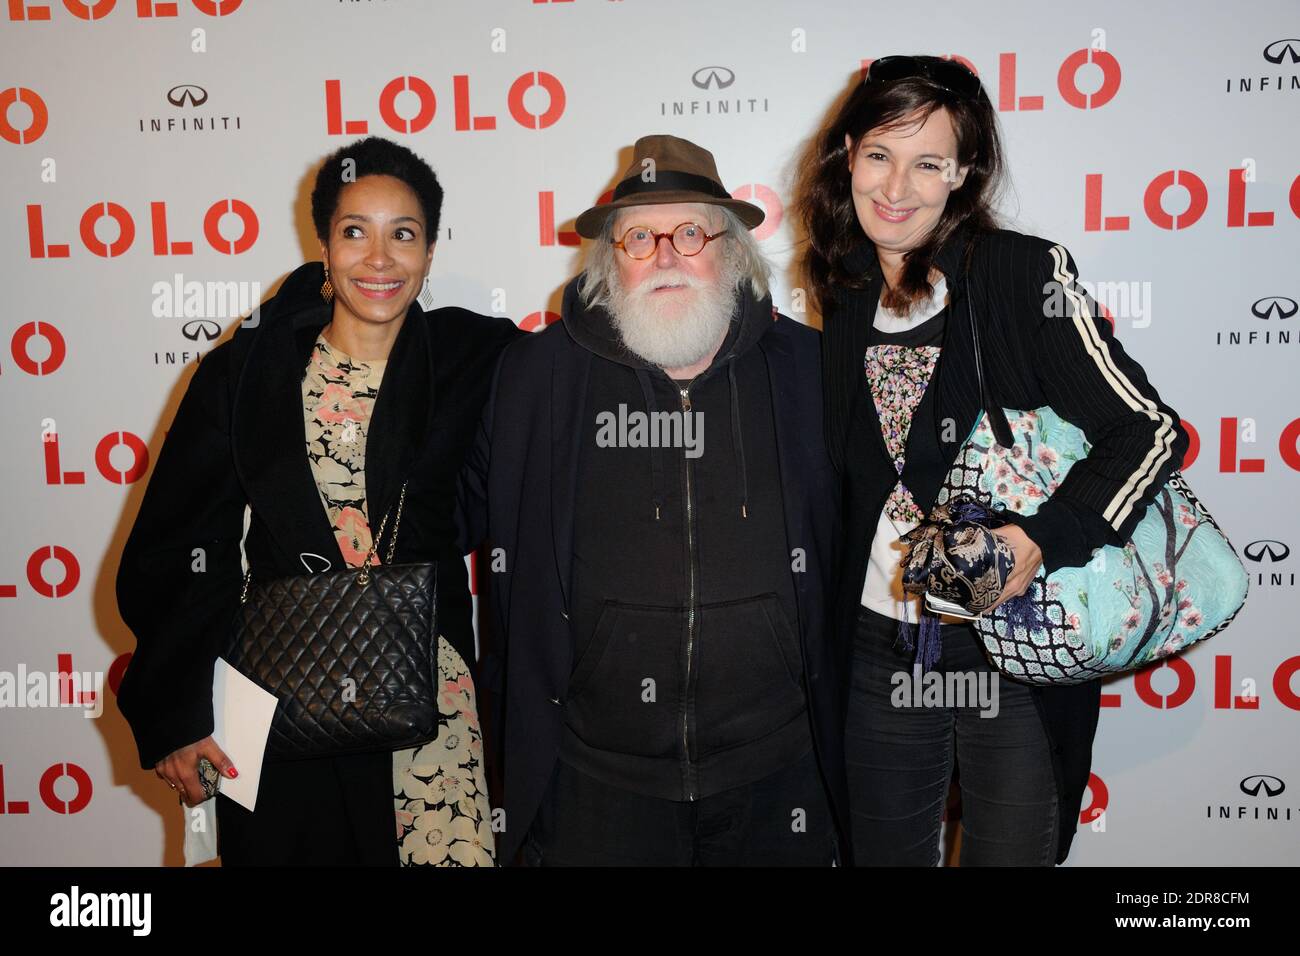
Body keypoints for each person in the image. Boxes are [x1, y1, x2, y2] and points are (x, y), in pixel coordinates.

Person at [797, 56, 1189, 865]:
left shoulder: (1017, 274)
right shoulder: (842, 286)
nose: (896, 187)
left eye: (928, 162)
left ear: (962, 174)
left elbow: (1148, 431)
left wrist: (1038, 538)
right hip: (881, 647)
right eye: (878, 154)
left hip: (1015, 647)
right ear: (846, 154)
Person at [116, 136, 521, 865]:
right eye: (354, 232)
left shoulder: (474, 357)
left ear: (429, 252)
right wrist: (175, 711)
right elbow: (177, 544)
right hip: (282, 697)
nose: (379, 258)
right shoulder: (247, 373)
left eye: (404, 234)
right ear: (325, 247)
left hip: (426, 698)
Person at [458, 134, 850, 865]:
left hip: (779, 775)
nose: (666, 254)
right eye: (640, 235)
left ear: (731, 251)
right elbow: (443, 515)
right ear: (611, 259)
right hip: (595, 785)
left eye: (690, 232)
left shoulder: (813, 373)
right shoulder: (535, 382)